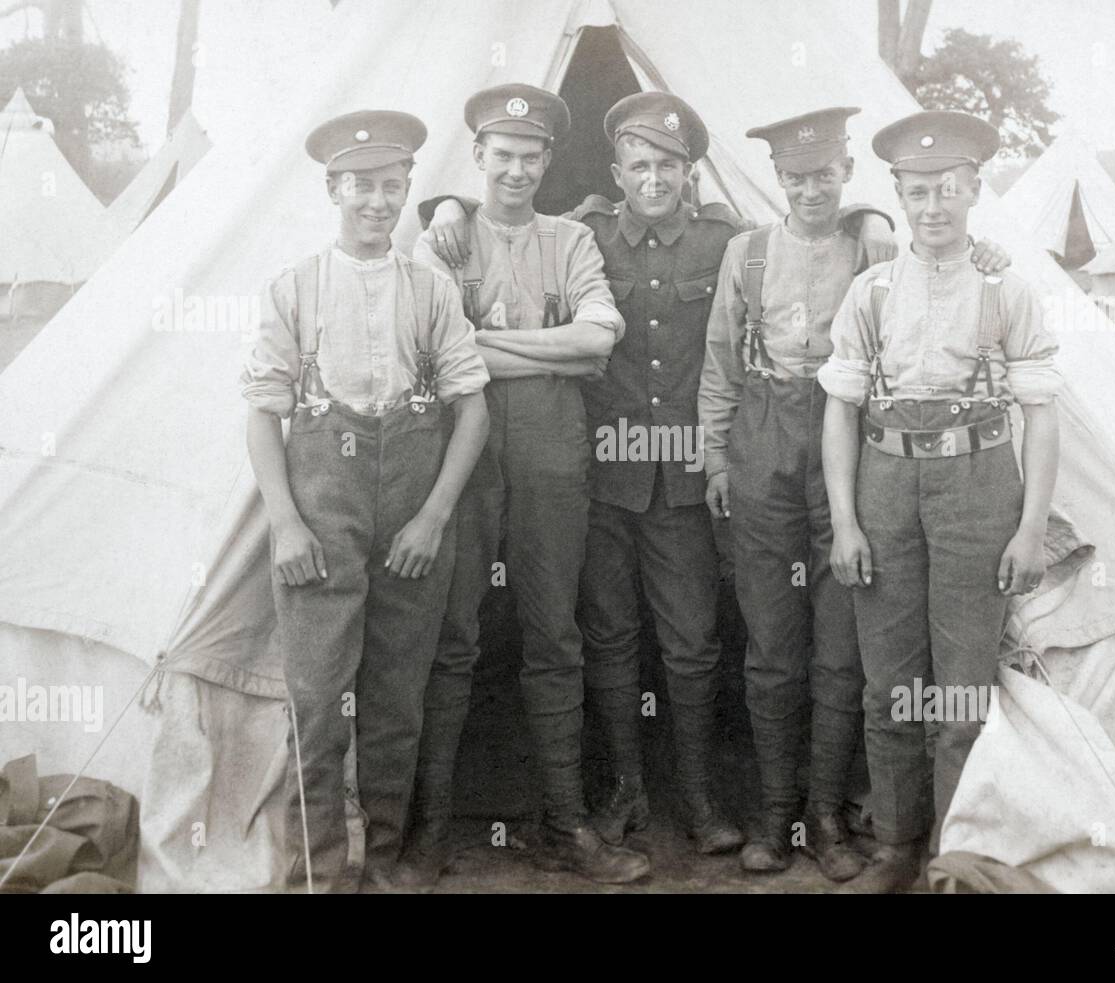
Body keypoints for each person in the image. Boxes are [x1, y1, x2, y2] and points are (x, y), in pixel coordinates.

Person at [420, 92, 900, 864]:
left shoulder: (728, 240)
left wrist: (872, 215)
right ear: (616, 172)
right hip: (597, 473)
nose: (654, 179)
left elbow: (809, 225)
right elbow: (502, 210)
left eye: (668, 166)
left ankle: (701, 792)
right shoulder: (586, 229)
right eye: (639, 165)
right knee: (606, 634)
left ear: (691, 172)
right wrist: (441, 201)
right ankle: (626, 789)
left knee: (691, 643)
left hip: (681, 478)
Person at [699, 107, 1012, 881]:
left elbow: (942, 269)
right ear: (779, 179)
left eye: (826, 175)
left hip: (853, 445)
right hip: (765, 440)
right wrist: (713, 460)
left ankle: (829, 816)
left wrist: (988, 254)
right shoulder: (747, 255)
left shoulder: (873, 245)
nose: (812, 189)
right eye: (798, 177)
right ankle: (776, 813)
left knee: (846, 652)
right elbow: (719, 366)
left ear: (848, 175)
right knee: (772, 647)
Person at [241, 109, 490, 893]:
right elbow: (260, 412)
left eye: (392, 186)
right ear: (332, 188)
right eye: (361, 187)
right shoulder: (295, 288)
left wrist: (433, 517)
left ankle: (382, 864)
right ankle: (314, 873)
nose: (377, 203)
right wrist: (284, 522)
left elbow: (472, 408)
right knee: (316, 707)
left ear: (407, 187)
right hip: (321, 518)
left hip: (413, 519)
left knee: (395, 705)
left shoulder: (431, 288)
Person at [407, 83, 649, 885]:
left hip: (552, 443)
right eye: (501, 155)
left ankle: (563, 824)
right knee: (453, 635)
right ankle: (429, 827)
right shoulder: (443, 238)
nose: (515, 170)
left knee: (555, 633)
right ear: (475, 157)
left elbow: (598, 344)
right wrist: (540, 347)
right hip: (463, 446)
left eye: (530, 156)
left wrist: (481, 341)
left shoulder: (570, 240)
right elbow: (427, 351)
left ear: (549, 160)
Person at [819, 110, 1062, 892]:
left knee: (961, 695)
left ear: (974, 190)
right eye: (917, 192)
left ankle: (948, 858)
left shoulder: (1006, 287)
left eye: (948, 190)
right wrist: (847, 519)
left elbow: (1042, 414)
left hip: (978, 487)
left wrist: (1029, 529)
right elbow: (840, 409)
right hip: (886, 486)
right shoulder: (871, 290)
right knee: (889, 687)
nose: (932, 208)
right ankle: (895, 846)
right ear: (897, 193)